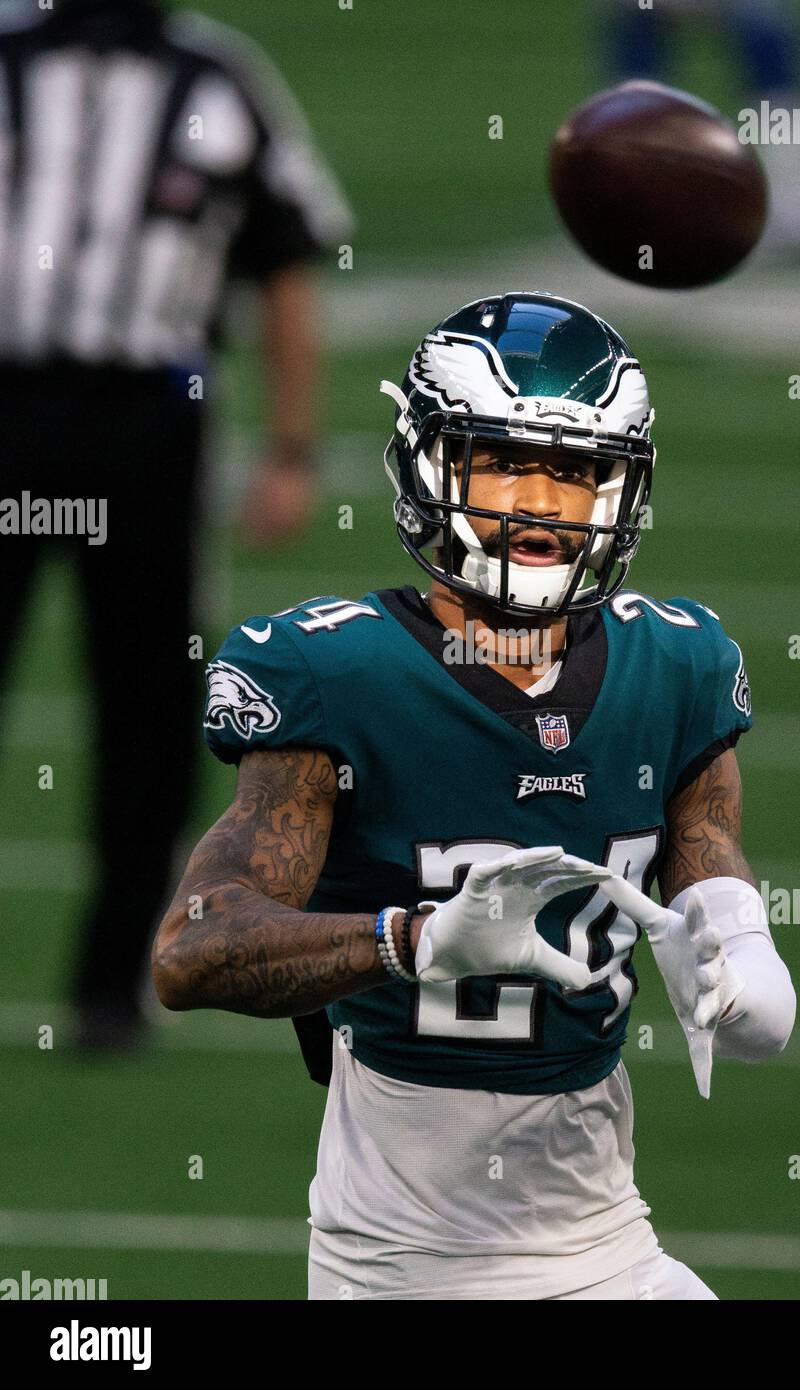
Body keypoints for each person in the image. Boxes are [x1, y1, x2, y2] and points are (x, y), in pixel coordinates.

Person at [152, 291, 796, 1301]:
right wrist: (411, 942)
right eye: (502, 461)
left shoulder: (675, 661)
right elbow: (192, 948)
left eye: (574, 471)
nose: (538, 504)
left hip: (606, 1243)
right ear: (429, 464)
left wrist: (736, 927)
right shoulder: (340, 674)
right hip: (401, 1267)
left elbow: (700, 829)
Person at [0, 0, 352, 1049]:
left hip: (148, 421)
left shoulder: (218, 80)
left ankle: (111, 987)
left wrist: (290, 451)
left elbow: (287, 261)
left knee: (148, 710)